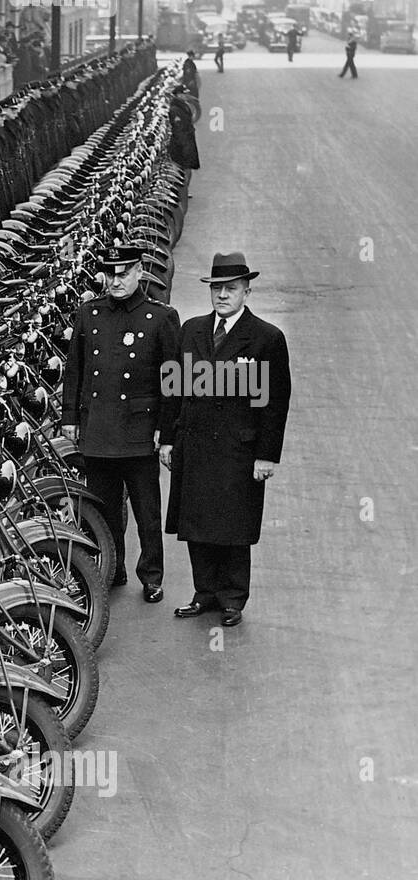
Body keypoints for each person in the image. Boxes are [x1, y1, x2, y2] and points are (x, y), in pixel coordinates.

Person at [160, 253, 292, 627]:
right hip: (196, 446)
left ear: (246, 292)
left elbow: (274, 403)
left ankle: (233, 598)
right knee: (197, 522)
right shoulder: (192, 329)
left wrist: (266, 456)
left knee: (233, 525)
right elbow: (174, 390)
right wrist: (168, 439)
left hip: (239, 450)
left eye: (230, 289)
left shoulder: (266, 338)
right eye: (217, 289)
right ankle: (205, 593)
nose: (222, 296)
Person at [61, 245, 182, 603]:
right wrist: (70, 417)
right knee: (105, 506)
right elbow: (75, 370)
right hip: (98, 428)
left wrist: (167, 426)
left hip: (139, 430)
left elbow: (172, 379)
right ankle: (113, 568)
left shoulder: (159, 317)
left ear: (140, 272)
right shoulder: (89, 313)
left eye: (124, 273)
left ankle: (152, 575)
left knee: (146, 508)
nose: (115, 280)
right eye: (110, 273)